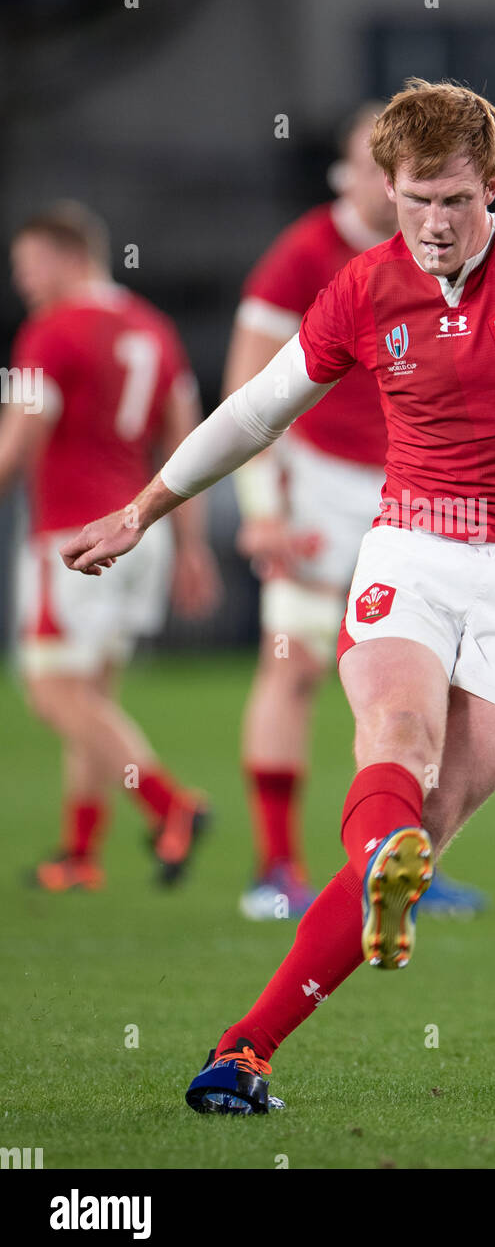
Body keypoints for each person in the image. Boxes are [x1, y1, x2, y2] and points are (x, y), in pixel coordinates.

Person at [60, 81, 495, 1114]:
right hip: (412, 547)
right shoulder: (363, 287)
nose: (432, 223)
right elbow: (255, 410)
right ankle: (247, 1047)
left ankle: (302, 970)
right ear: (387, 188)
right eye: (414, 199)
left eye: (454, 200)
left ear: (490, 188)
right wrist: (146, 507)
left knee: (428, 823)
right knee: (396, 735)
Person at [224, 102, 487, 920]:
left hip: (419, 490)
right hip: (320, 484)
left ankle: (410, 853)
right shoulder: (306, 253)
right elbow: (248, 386)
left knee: (431, 682)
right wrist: (261, 506)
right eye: (398, 167)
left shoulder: (456, 251)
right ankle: (275, 869)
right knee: (293, 664)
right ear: (365, 171)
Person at [0, 201, 220, 889]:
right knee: (92, 695)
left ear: (70, 256)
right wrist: (190, 544)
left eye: (32, 266)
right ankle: (81, 852)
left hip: (70, 539)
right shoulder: (153, 329)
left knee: (51, 693)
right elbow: (187, 440)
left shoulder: (51, 333)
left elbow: (19, 441)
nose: (24, 282)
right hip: (137, 532)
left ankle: (171, 805)